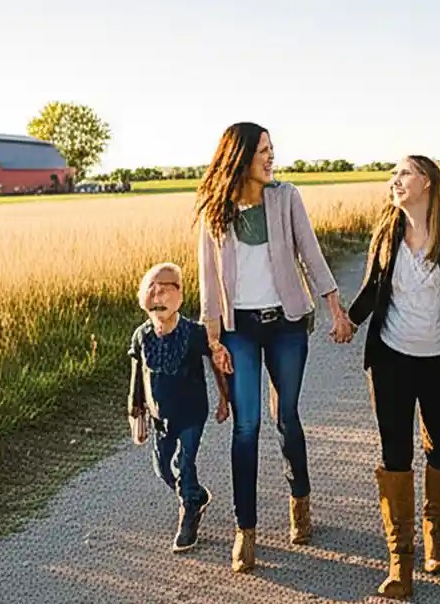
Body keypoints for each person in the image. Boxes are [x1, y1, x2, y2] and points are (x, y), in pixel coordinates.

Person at [194, 122, 355, 573]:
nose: (271, 156)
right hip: (238, 330)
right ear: (239, 157)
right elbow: (209, 282)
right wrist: (212, 338)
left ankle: (299, 497)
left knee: (286, 417)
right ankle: (245, 531)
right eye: (263, 150)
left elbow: (311, 253)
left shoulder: (286, 198)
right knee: (246, 427)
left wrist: (335, 307)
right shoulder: (213, 210)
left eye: (271, 148)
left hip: (286, 324)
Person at [344, 155, 440, 599]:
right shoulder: (387, 231)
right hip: (390, 361)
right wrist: (348, 321)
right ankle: (399, 561)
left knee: (439, 449)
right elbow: (373, 289)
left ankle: (437, 535)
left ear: (427, 182)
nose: (395, 181)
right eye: (393, 176)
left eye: (403, 173)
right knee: (394, 454)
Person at [128, 262, 232, 552]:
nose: (158, 294)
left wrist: (225, 399)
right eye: (152, 288)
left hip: (191, 413)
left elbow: (215, 363)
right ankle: (195, 494)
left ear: (180, 296)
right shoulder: (141, 336)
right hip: (161, 417)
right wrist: (136, 413)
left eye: (166, 288)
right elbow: (138, 376)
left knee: (185, 463)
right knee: (162, 466)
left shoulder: (194, 333)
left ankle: (188, 515)